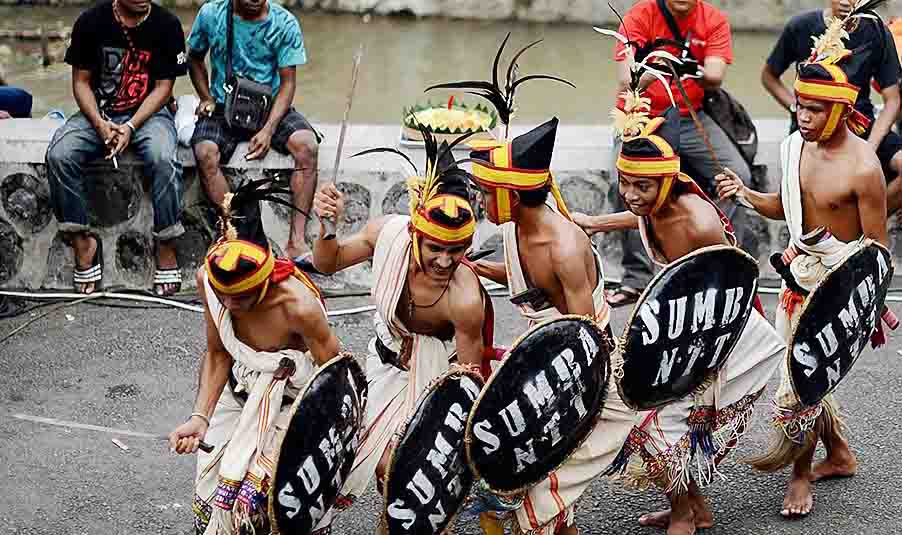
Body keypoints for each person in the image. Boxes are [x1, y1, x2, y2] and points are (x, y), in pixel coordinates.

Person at [428, 37, 637, 535]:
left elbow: (584, 340)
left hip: (586, 357)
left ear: (513, 193)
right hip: (548, 343)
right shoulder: (517, 225)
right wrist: (478, 272)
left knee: (561, 457)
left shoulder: (564, 247)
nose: (480, 199)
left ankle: (687, 507)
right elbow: (527, 285)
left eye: (485, 191)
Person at [572, 96, 784, 534]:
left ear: (667, 184)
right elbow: (642, 219)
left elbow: (725, 294)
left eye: (641, 187)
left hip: (725, 337)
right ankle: (693, 508)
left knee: (650, 425)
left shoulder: (698, 224)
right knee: (654, 425)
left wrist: (690, 366)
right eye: (624, 182)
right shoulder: (655, 206)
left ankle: (686, 514)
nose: (631, 194)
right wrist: (595, 222)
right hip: (687, 328)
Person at [716, 13, 889, 517]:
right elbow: (787, 207)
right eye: (799, 106)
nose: (804, 117)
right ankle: (840, 453)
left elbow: (877, 251)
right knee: (808, 373)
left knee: (802, 382)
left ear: (841, 109)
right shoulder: (795, 147)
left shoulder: (864, 168)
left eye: (815, 109)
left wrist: (867, 305)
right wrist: (746, 195)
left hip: (833, 289)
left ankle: (799, 474)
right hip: (794, 280)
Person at [309, 127, 495, 531]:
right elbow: (327, 263)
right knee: (335, 459)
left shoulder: (464, 300)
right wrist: (327, 227)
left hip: (434, 380)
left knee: (396, 470)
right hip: (382, 368)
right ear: (415, 234)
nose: (446, 262)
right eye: (436, 249)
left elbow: (468, 382)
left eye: (456, 251)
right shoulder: (388, 235)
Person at [168, 178, 341, 535]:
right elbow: (218, 354)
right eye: (224, 295)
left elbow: (335, 378)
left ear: (266, 278)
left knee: (259, 508)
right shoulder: (209, 279)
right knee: (211, 505)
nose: (230, 305)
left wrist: (323, 445)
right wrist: (200, 417)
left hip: (290, 403)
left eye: (243, 297)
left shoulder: (299, 306)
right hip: (237, 391)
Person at [606, 0, 749, 308]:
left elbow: (715, 74)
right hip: (641, 117)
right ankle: (635, 279)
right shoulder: (640, 16)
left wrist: (687, 66)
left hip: (689, 116)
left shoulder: (713, 20)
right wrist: (659, 65)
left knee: (737, 176)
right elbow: (626, 76)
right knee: (624, 182)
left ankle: (720, 266)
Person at [45, 0, 187, 295]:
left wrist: (131, 126)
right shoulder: (90, 22)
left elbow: (164, 87)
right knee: (60, 154)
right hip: (98, 113)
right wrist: (99, 123)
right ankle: (82, 242)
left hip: (149, 114)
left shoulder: (167, 25)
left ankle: (166, 244)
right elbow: (81, 82)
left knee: (163, 157)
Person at [186, 0, 319, 260]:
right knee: (204, 152)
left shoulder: (284, 22)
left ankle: (297, 242)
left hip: (269, 107)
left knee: (307, 146)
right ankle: (235, 233)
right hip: (224, 107)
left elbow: (288, 83)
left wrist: (269, 129)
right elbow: (194, 58)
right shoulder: (211, 15)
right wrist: (205, 97)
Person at [762, 0, 902, 213]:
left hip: (858, 123)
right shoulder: (800, 25)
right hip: (812, 130)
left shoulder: (876, 30)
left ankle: (868, 229)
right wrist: (797, 108)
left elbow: (892, 100)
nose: (846, 0)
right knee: (802, 187)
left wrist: (868, 149)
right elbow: (769, 77)